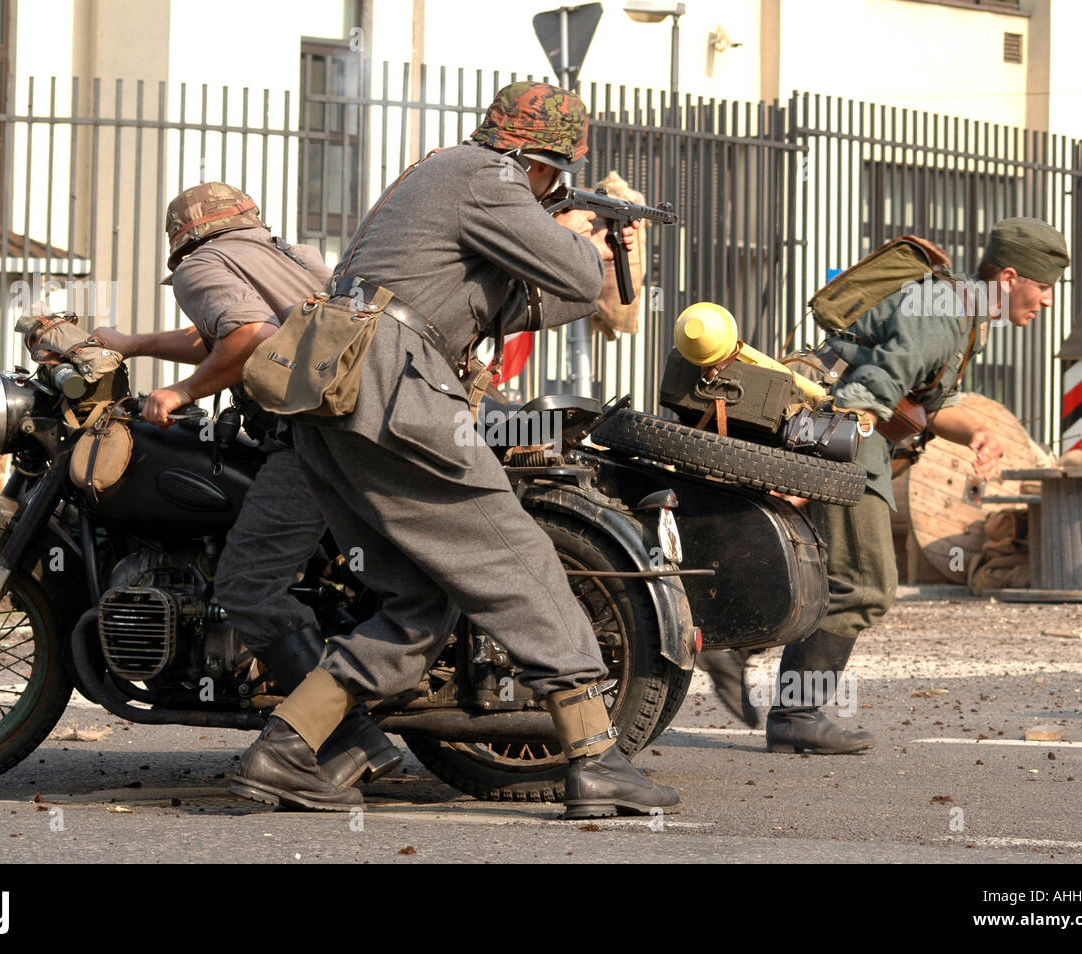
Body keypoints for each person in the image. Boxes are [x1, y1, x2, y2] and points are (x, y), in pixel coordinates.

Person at [229, 82, 681, 819]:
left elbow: (530, 302)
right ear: (537, 160)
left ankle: (284, 752)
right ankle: (596, 759)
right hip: (395, 389)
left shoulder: (451, 180)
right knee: (520, 560)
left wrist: (594, 248)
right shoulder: (488, 176)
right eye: (553, 177)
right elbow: (566, 271)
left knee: (420, 602)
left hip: (341, 392)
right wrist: (575, 234)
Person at [706, 217, 1070, 753]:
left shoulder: (963, 313)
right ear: (1011, 277)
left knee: (828, 574)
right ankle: (796, 714)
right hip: (843, 431)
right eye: (1044, 288)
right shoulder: (946, 312)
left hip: (841, 428)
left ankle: (735, 650)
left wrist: (978, 433)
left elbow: (927, 404)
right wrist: (812, 472)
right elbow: (869, 390)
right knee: (864, 581)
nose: (1047, 302)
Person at [93, 182, 402, 786]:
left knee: (246, 584)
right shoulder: (295, 256)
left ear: (181, 237)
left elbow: (248, 337)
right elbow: (220, 333)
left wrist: (181, 393)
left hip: (313, 435)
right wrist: (130, 344)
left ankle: (348, 739)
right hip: (369, 424)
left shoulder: (200, 265)